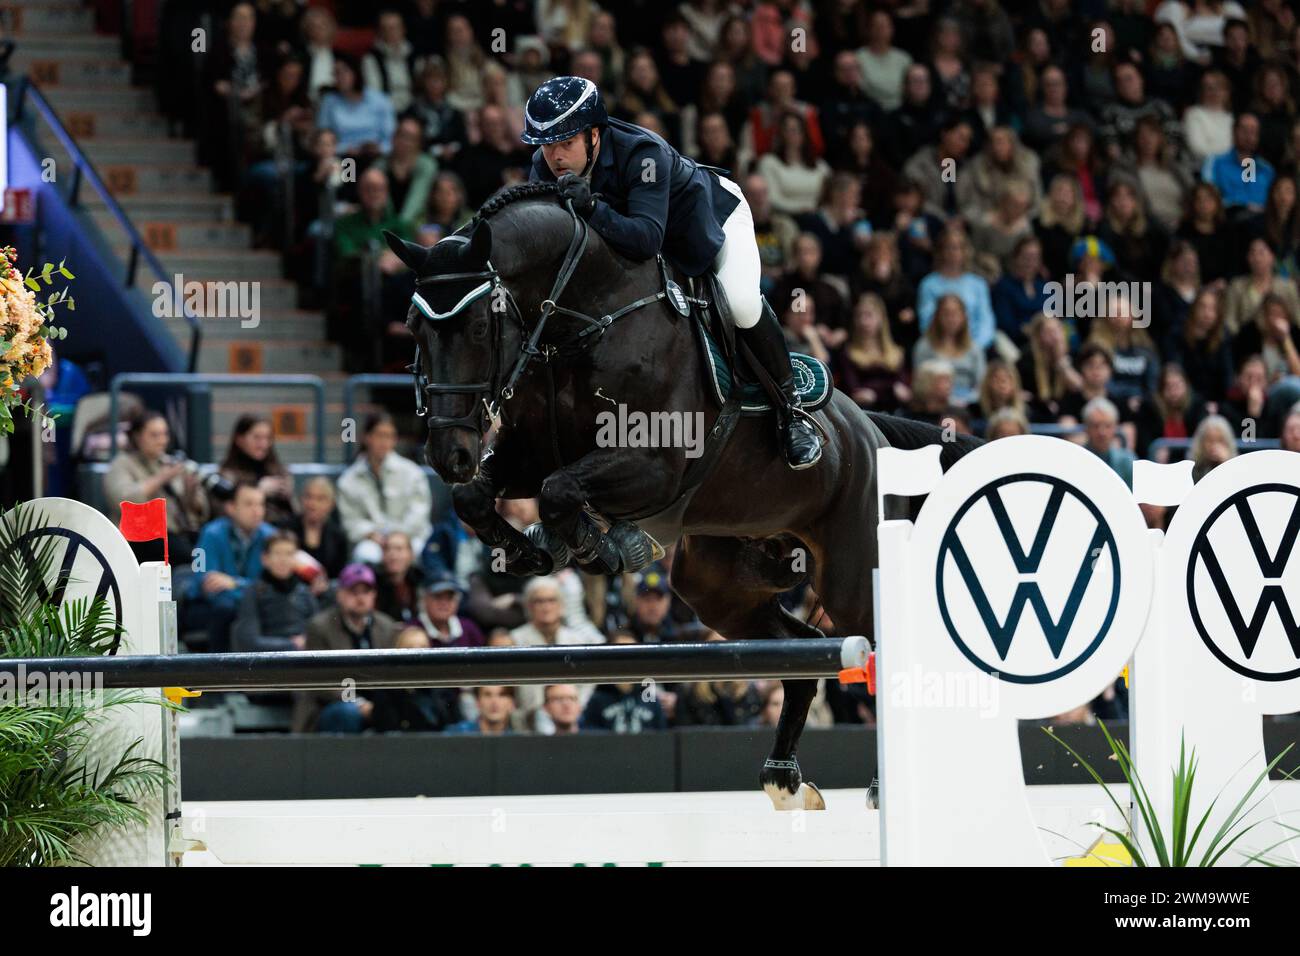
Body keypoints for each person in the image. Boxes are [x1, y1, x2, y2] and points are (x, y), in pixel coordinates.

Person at [521, 75, 821, 469]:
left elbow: (646, 238)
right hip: (644, 243)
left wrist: (592, 207)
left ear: (595, 135)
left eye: (565, 144)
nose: (554, 157)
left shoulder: (644, 154)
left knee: (742, 303)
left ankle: (792, 412)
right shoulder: (544, 169)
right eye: (545, 146)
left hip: (709, 220)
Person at [291, 563, 403, 733]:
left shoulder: (386, 625)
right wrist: (358, 703)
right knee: (347, 712)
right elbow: (320, 680)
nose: (360, 598)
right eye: (353, 591)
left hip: (377, 703)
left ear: (374, 595)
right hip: (329, 707)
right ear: (340, 594)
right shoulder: (320, 626)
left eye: (366, 591)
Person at [103, 410, 209, 561]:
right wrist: (161, 477)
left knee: (209, 545)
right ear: (137, 436)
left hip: (177, 535)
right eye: (154, 435)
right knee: (192, 558)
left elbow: (198, 513)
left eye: (165, 434)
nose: (162, 440)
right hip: (139, 539)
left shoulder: (169, 463)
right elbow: (124, 501)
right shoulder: (122, 464)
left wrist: (190, 492)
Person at [184, 482, 276, 652]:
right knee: (225, 606)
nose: (257, 511)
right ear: (231, 507)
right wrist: (251, 589)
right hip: (207, 605)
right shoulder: (210, 533)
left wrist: (235, 583)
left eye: (261, 504)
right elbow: (204, 579)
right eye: (249, 504)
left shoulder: (271, 536)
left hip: (252, 603)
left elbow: (271, 586)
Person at [336, 413, 432, 563]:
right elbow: (350, 521)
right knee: (366, 555)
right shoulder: (349, 480)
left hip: (409, 537)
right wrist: (371, 534)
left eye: (389, 436)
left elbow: (418, 513)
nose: (384, 442)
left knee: (421, 552)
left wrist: (398, 536)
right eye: (380, 435)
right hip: (372, 540)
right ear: (366, 437)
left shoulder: (412, 473)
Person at [230, 530, 319, 652]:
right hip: (269, 663)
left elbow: (319, 632)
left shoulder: (304, 592)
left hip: (304, 661)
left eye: (289, 554)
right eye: (277, 553)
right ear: (265, 558)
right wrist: (291, 645)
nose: (283, 559)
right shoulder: (253, 592)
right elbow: (248, 640)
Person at [581, 630, 669, 732]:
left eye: (633, 653)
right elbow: (589, 737)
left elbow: (662, 737)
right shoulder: (597, 699)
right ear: (608, 658)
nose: (627, 659)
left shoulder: (649, 697)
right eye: (620, 653)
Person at [217, 414, 295, 526]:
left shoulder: (278, 470)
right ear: (239, 439)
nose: (263, 444)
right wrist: (259, 491)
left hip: (281, 533)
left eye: (268, 438)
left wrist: (287, 495)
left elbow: (293, 512)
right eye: (257, 438)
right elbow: (221, 512)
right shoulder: (227, 474)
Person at [285, 476, 349, 580]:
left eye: (320, 499)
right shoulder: (285, 529)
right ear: (301, 499)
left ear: (331, 504)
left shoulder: (338, 536)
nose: (313, 504)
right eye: (308, 497)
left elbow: (339, 577)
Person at [1082, 397, 1136, 488]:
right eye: (1096, 426)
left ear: (1115, 427)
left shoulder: (1128, 460)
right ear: (1086, 428)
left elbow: (1142, 499)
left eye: (1107, 426)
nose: (1102, 432)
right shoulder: (1076, 459)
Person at [416, 575, 485, 647]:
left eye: (450, 598)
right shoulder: (411, 629)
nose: (444, 603)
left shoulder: (469, 629)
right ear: (424, 600)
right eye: (438, 596)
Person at [372, 530, 424, 623]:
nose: (393, 555)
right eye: (387, 549)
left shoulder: (421, 579)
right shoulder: (373, 581)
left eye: (399, 549)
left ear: (411, 554)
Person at [442, 685, 517, 734]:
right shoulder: (455, 734)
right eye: (487, 694)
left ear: (512, 703)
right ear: (478, 702)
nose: (494, 701)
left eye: (502, 695)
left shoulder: (517, 743)